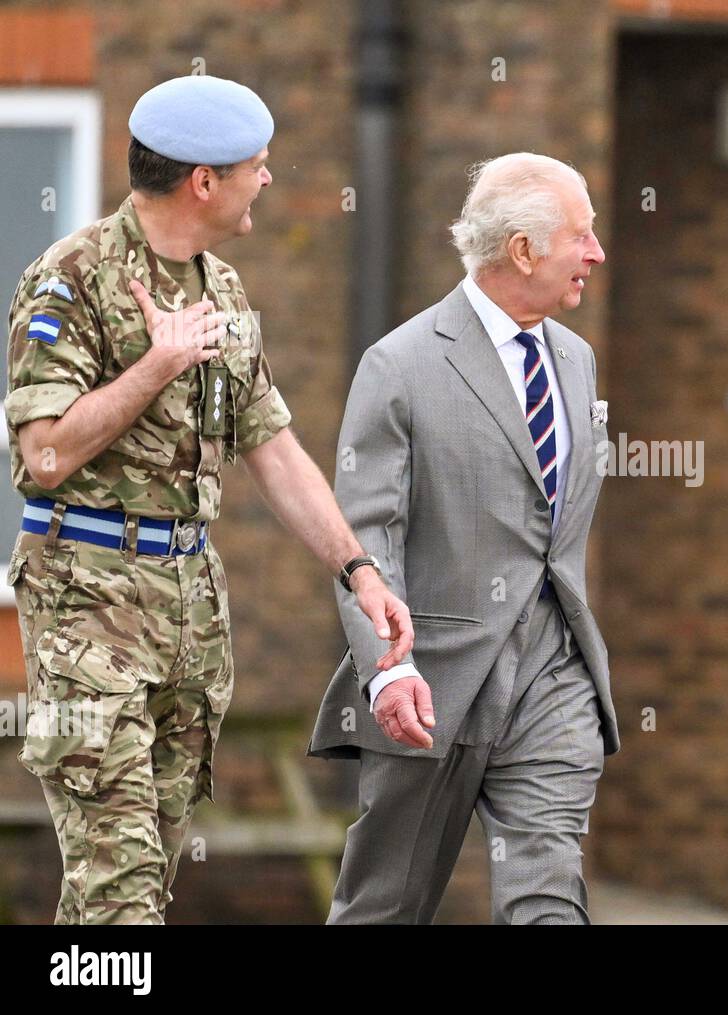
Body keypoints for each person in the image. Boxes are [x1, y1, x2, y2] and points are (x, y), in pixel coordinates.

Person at [4, 74, 413, 924]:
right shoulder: (71, 279)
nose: (267, 180)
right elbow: (43, 453)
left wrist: (360, 571)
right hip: (86, 613)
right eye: (255, 167)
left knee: (133, 888)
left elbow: (271, 448)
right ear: (203, 181)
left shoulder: (222, 291)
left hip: (189, 618)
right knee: (119, 892)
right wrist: (155, 366)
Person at [309, 152, 618, 924]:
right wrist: (388, 670)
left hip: (555, 675)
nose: (596, 253)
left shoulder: (576, 362)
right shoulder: (401, 365)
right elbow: (366, 535)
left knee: (549, 893)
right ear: (523, 249)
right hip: (433, 686)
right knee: (386, 906)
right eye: (581, 236)